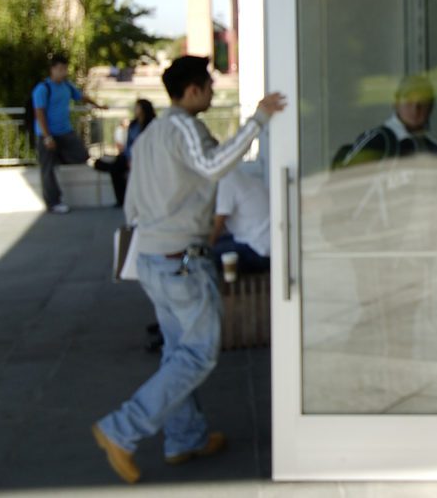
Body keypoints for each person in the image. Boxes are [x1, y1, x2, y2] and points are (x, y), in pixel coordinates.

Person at [91, 55, 286, 484]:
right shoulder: (184, 127)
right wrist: (259, 120)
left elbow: (133, 204)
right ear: (192, 90)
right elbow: (215, 165)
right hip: (181, 260)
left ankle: (186, 438)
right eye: (210, 87)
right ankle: (121, 430)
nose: (214, 93)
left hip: (153, 259)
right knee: (198, 354)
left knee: (176, 352)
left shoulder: (151, 134)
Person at [33, 54, 104, 214]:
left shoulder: (67, 86)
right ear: (52, 69)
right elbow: (40, 113)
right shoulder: (43, 89)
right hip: (47, 134)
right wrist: (47, 136)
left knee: (81, 155)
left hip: (65, 132)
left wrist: (97, 105)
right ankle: (53, 202)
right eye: (60, 69)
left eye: (65, 69)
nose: (63, 73)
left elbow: (81, 97)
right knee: (48, 169)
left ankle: (58, 156)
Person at [331, 74, 437, 168]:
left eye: (422, 102)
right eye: (408, 100)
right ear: (396, 102)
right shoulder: (379, 140)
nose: (415, 108)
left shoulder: (432, 147)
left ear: (431, 106)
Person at [95, 99, 156, 207]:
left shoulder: (152, 125)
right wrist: (128, 157)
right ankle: (121, 200)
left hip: (144, 158)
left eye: (137, 107)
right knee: (116, 169)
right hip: (129, 157)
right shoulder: (133, 125)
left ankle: (105, 166)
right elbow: (128, 144)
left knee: (116, 169)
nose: (135, 109)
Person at [209, 168, 270, 274]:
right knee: (217, 243)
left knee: (202, 257)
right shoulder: (235, 176)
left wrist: (199, 250)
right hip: (265, 244)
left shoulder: (226, 181)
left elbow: (217, 226)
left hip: (259, 251)